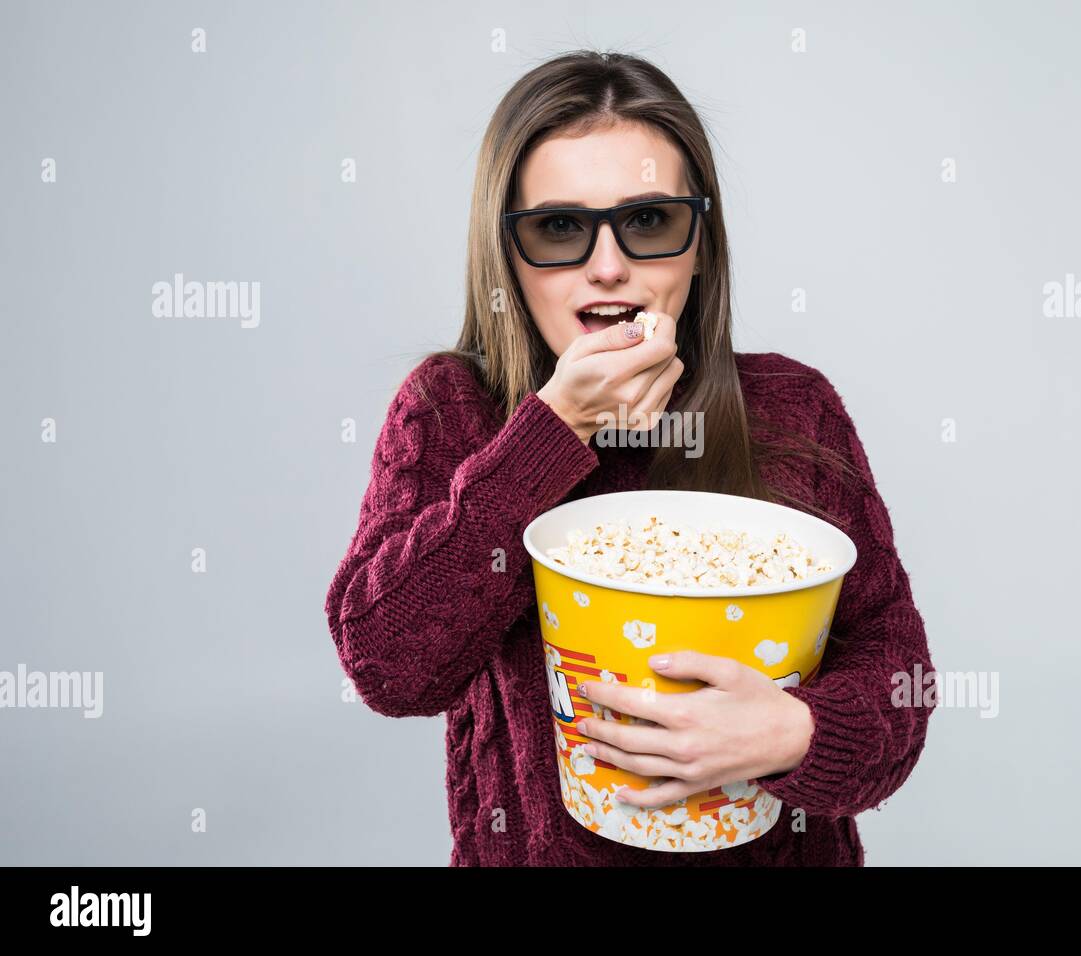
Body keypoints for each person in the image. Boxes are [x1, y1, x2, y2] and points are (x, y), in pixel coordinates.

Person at [324, 50, 935, 866]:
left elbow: (900, 678)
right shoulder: (451, 409)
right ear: (506, 254)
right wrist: (552, 434)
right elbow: (387, 665)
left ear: (700, 245)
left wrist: (801, 731)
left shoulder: (793, 408)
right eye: (559, 228)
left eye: (648, 221)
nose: (607, 266)